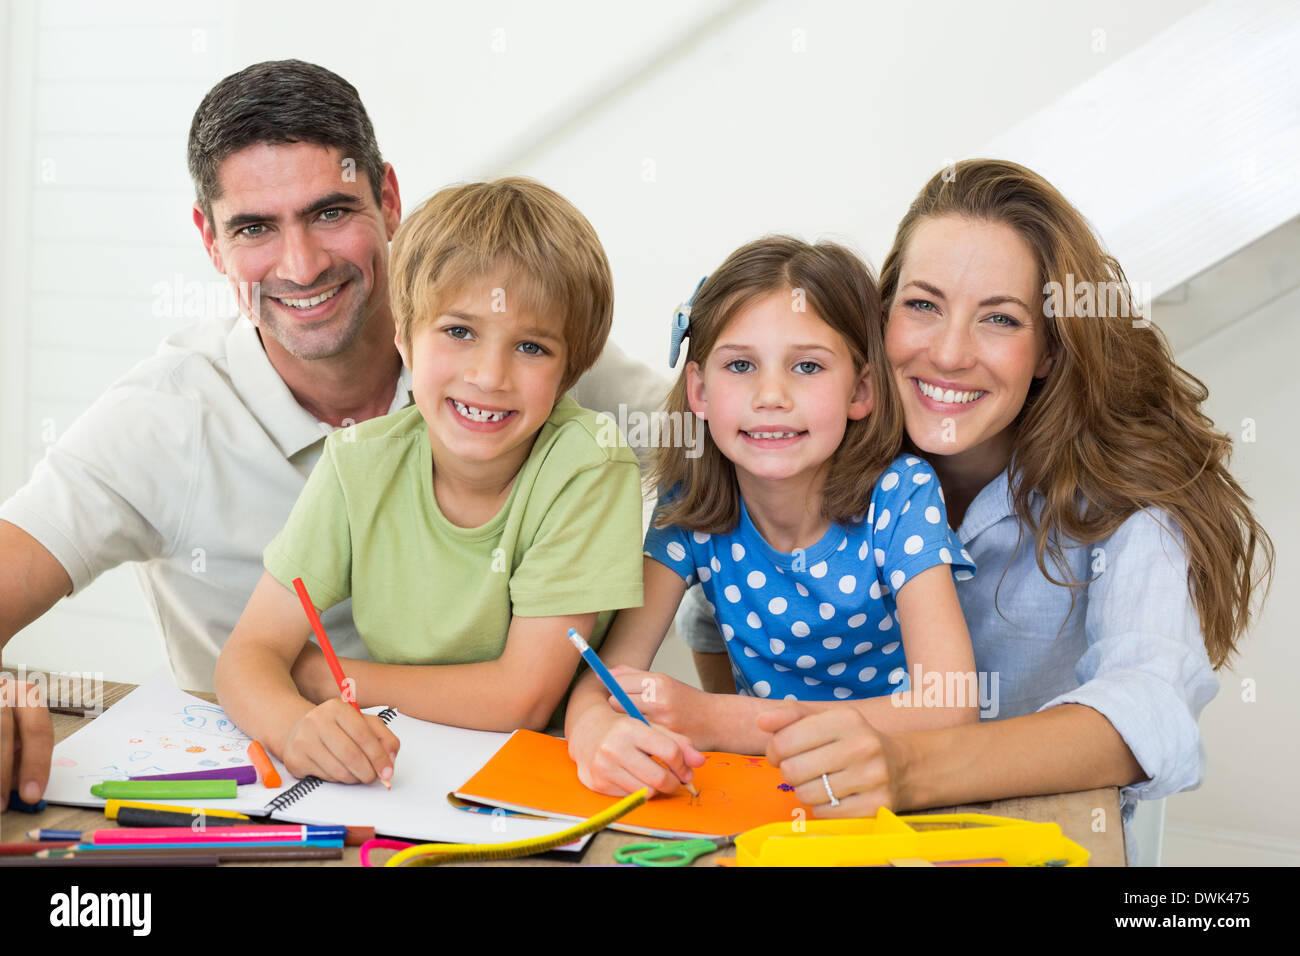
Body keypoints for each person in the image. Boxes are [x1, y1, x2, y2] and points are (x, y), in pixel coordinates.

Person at [0, 60, 666, 807]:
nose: (302, 264)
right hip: (279, 804)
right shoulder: (163, 419)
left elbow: (738, 444)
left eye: (329, 212)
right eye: (254, 227)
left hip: (525, 802)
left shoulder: (524, 353)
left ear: (388, 199)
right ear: (211, 242)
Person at [681, 161, 1273, 852]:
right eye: (923, 305)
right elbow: (712, 614)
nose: (951, 353)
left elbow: (1148, 711)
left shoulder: (1126, 503)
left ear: (1049, 347)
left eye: (999, 318)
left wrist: (905, 766)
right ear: (880, 316)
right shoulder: (823, 452)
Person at [215, 178, 644, 785]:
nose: (489, 376)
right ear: (403, 336)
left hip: (533, 784)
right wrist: (292, 726)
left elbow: (521, 701)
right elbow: (247, 657)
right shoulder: (358, 464)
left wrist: (325, 677)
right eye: (459, 332)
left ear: (571, 370)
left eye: (531, 346)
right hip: (397, 769)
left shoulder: (587, 467)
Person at [566, 236, 980, 797]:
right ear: (699, 391)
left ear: (861, 390)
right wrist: (593, 731)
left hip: (895, 799)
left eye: (807, 366)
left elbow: (950, 706)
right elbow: (604, 682)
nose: (771, 395)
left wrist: (718, 721)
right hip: (768, 796)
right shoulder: (688, 503)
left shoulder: (901, 496)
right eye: (740, 365)